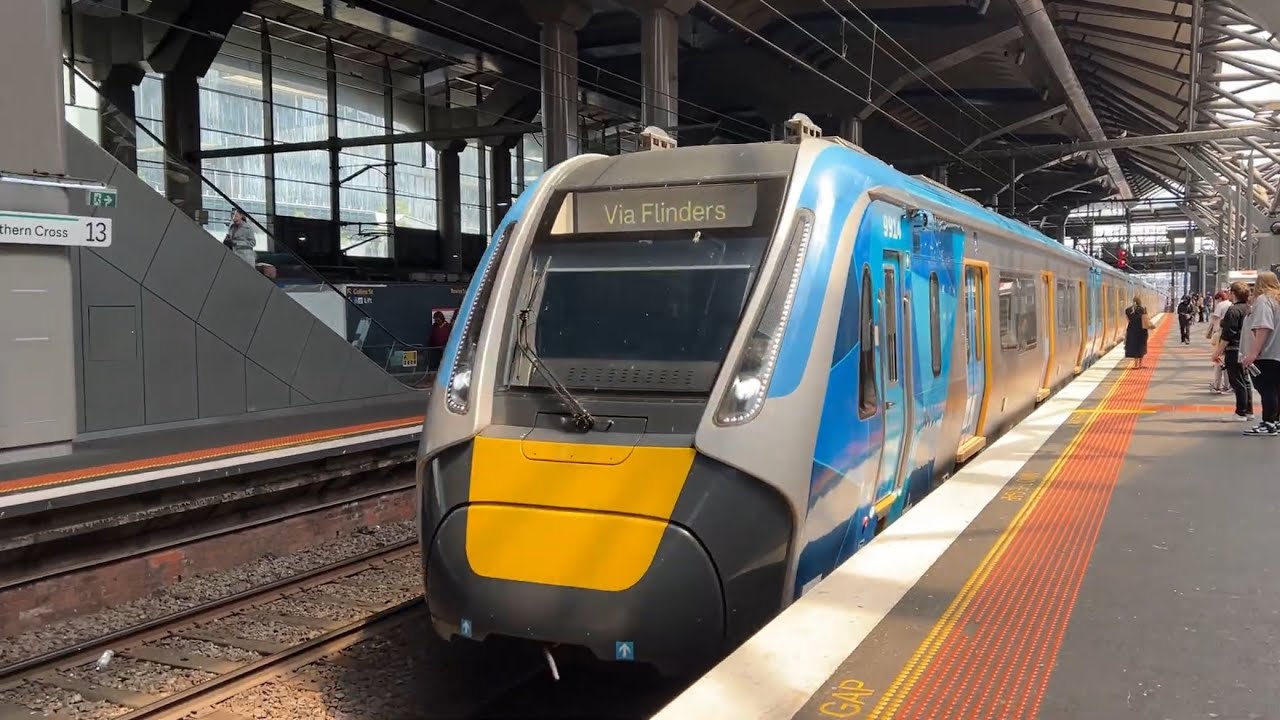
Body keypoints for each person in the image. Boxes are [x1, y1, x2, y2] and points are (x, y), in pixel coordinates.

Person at [1240, 271, 1280, 436]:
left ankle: (1268, 423)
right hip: (1277, 354)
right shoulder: (1277, 301)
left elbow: (1264, 327)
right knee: (1276, 388)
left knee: (1266, 388)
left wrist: (1253, 353)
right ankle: (1276, 421)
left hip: (1267, 354)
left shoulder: (1264, 300)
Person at [1212, 282, 1253, 422]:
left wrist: (1217, 352)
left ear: (1234, 293)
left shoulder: (1233, 310)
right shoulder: (1249, 308)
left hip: (1234, 349)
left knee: (1237, 381)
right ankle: (1248, 410)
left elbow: (1228, 334)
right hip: (1246, 349)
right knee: (1245, 380)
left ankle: (1240, 412)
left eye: (1230, 291)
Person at [1206, 290, 1233, 393]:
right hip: (1231, 335)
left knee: (1218, 360)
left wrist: (1210, 330)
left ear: (1220, 299)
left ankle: (1217, 385)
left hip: (1220, 334)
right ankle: (1227, 384)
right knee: (1227, 361)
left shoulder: (1220, 305)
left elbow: (1215, 318)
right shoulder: (1231, 304)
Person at [1124, 295, 1153, 369]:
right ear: (1140, 302)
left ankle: (1135, 364)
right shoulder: (1143, 309)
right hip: (1142, 330)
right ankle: (1140, 364)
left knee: (1134, 346)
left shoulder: (1128, 310)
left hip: (1132, 330)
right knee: (1141, 347)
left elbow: (1128, 320)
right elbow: (1146, 319)